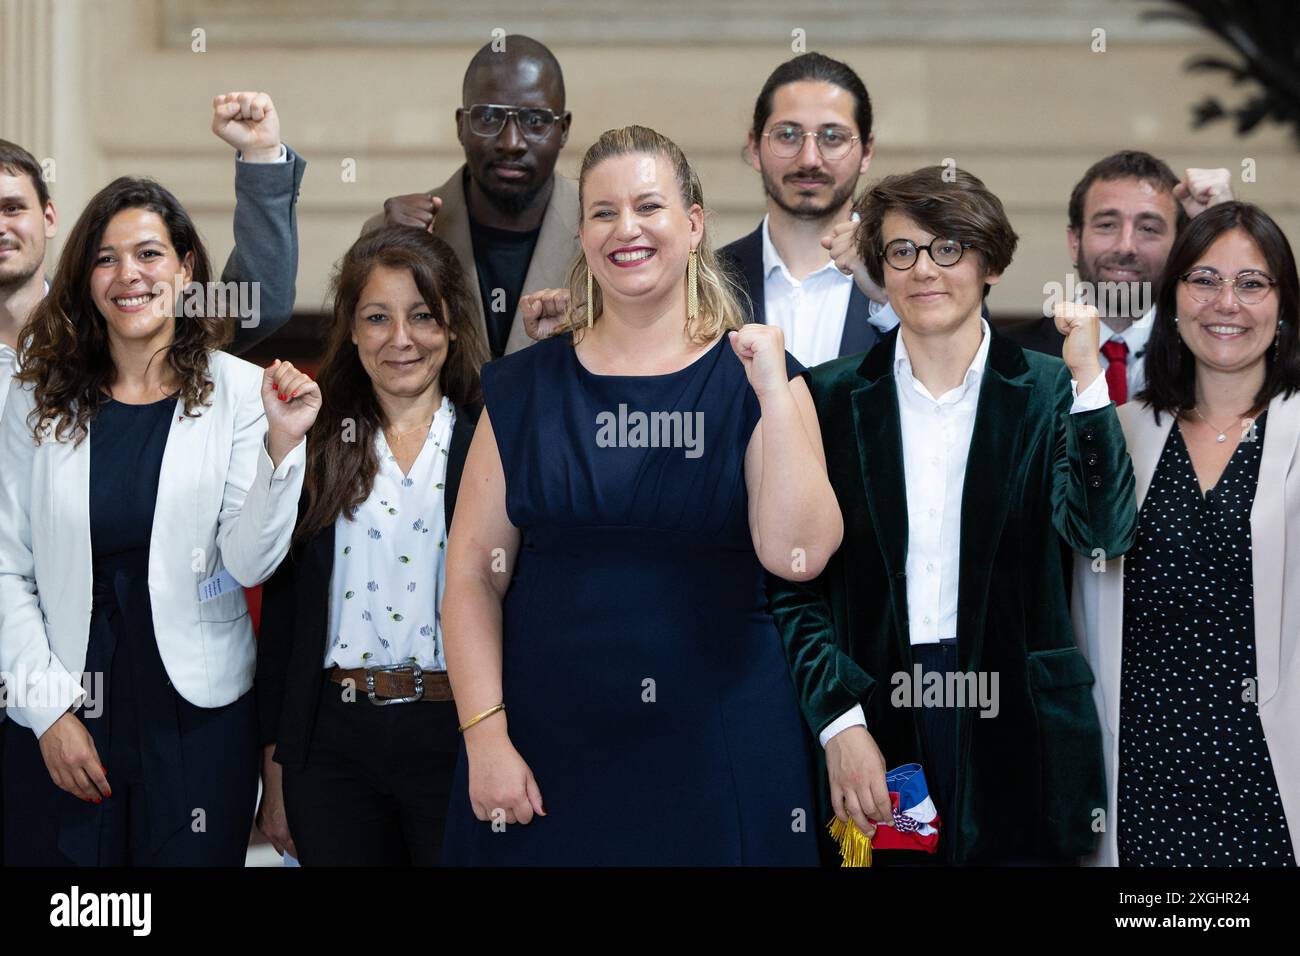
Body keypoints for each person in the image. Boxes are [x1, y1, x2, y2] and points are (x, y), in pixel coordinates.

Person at [439, 125, 841, 866]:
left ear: (693, 226)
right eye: (602, 211)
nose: (626, 229)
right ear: (583, 233)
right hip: (541, 752)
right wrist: (484, 734)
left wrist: (773, 393)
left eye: (649, 206)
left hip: (719, 747)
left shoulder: (760, 378)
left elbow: (800, 555)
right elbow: (470, 572)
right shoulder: (523, 388)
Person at [769, 165, 1138, 865]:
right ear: (881, 267)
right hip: (875, 710)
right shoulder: (826, 396)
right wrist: (838, 721)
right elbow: (794, 582)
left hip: (1020, 727)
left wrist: (1090, 381)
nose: (924, 269)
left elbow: (1105, 533)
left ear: (990, 262)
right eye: (902, 251)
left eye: (949, 248)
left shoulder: (1052, 389)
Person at [0, 91, 305, 863]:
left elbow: (249, 561)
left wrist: (280, 447)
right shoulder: (37, 396)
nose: (126, 275)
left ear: (185, 267)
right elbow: (6, 565)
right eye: (104, 257)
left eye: (147, 255)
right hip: (66, 700)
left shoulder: (240, 390)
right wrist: (46, 712)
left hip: (198, 713)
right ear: (84, 275)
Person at [1072, 201, 1300, 866]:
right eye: (1203, 279)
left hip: (1269, 778)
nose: (1226, 302)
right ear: (1172, 301)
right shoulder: (1118, 431)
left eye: (1252, 283)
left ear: (1283, 308)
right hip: (1141, 778)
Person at [254, 226, 488, 865]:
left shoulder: (488, 444)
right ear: (351, 330)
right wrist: (276, 768)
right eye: (377, 318)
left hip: (459, 730)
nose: (401, 339)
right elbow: (283, 617)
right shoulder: (316, 445)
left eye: (422, 316)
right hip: (334, 743)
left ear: (453, 327)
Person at [363, 36, 579, 361]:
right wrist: (387, 250)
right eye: (489, 117)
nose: (511, 142)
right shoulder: (391, 231)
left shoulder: (605, 231)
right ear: (462, 125)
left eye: (535, 121)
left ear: (562, 130)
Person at [1012, 151, 1233, 402]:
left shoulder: (1212, 354)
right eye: (1107, 225)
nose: (1126, 246)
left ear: (1178, 245)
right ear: (1075, 242)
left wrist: (1222, 226)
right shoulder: (1009, 358)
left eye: (1148, 228)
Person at [718, 53, 881, 366]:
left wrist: (889, 300)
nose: (809, 159)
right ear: (754, 148)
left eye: (832, 137)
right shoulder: (706, 281)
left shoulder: (911, 276)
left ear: (866, 152)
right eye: (787, 135)